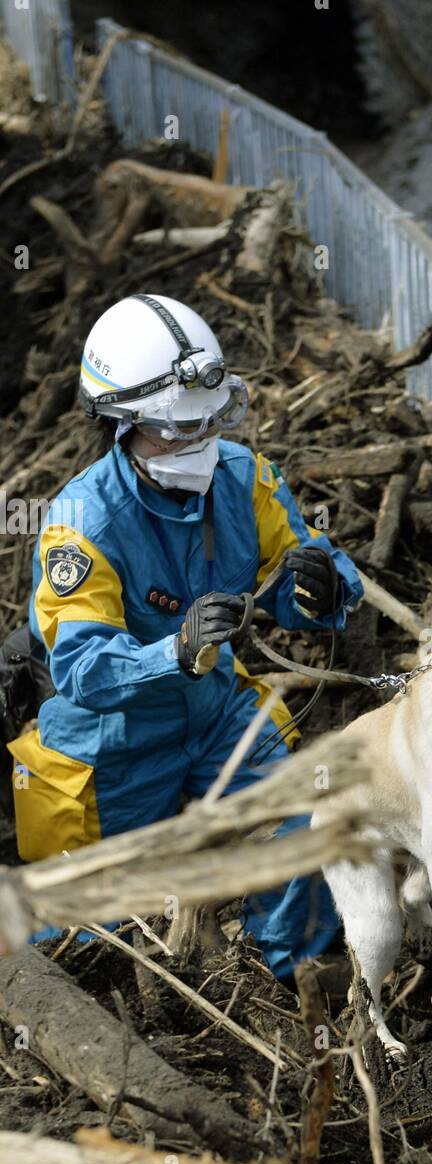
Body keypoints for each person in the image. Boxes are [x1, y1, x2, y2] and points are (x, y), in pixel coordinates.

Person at [7, 292, 363, 982]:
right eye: (176, 430)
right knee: (92, 933)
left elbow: (305, 571)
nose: (197, 444)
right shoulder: (83, 524)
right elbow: (80, 668)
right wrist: (173, 651)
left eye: (210, 423)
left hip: (215, 707)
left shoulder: (244, 478)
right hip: (113, 736)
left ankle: (297, 972)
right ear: (119, 423)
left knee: (296, 821)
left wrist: (322, 588)